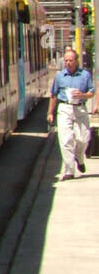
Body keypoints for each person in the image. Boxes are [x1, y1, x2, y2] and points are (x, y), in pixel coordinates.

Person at [46, 46, 93, 181]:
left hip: (80, 108)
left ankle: (79, 156)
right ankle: (69, 171)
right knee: (66, 140)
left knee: (83, 138)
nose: (68, 63)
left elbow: (92, 92)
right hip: (65, 108)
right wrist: (50, 112)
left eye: (71, 60)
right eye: (66, 60)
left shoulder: (85, 75)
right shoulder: (60, 76)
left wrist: (83, 95)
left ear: (76, 61)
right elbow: (53, 95)